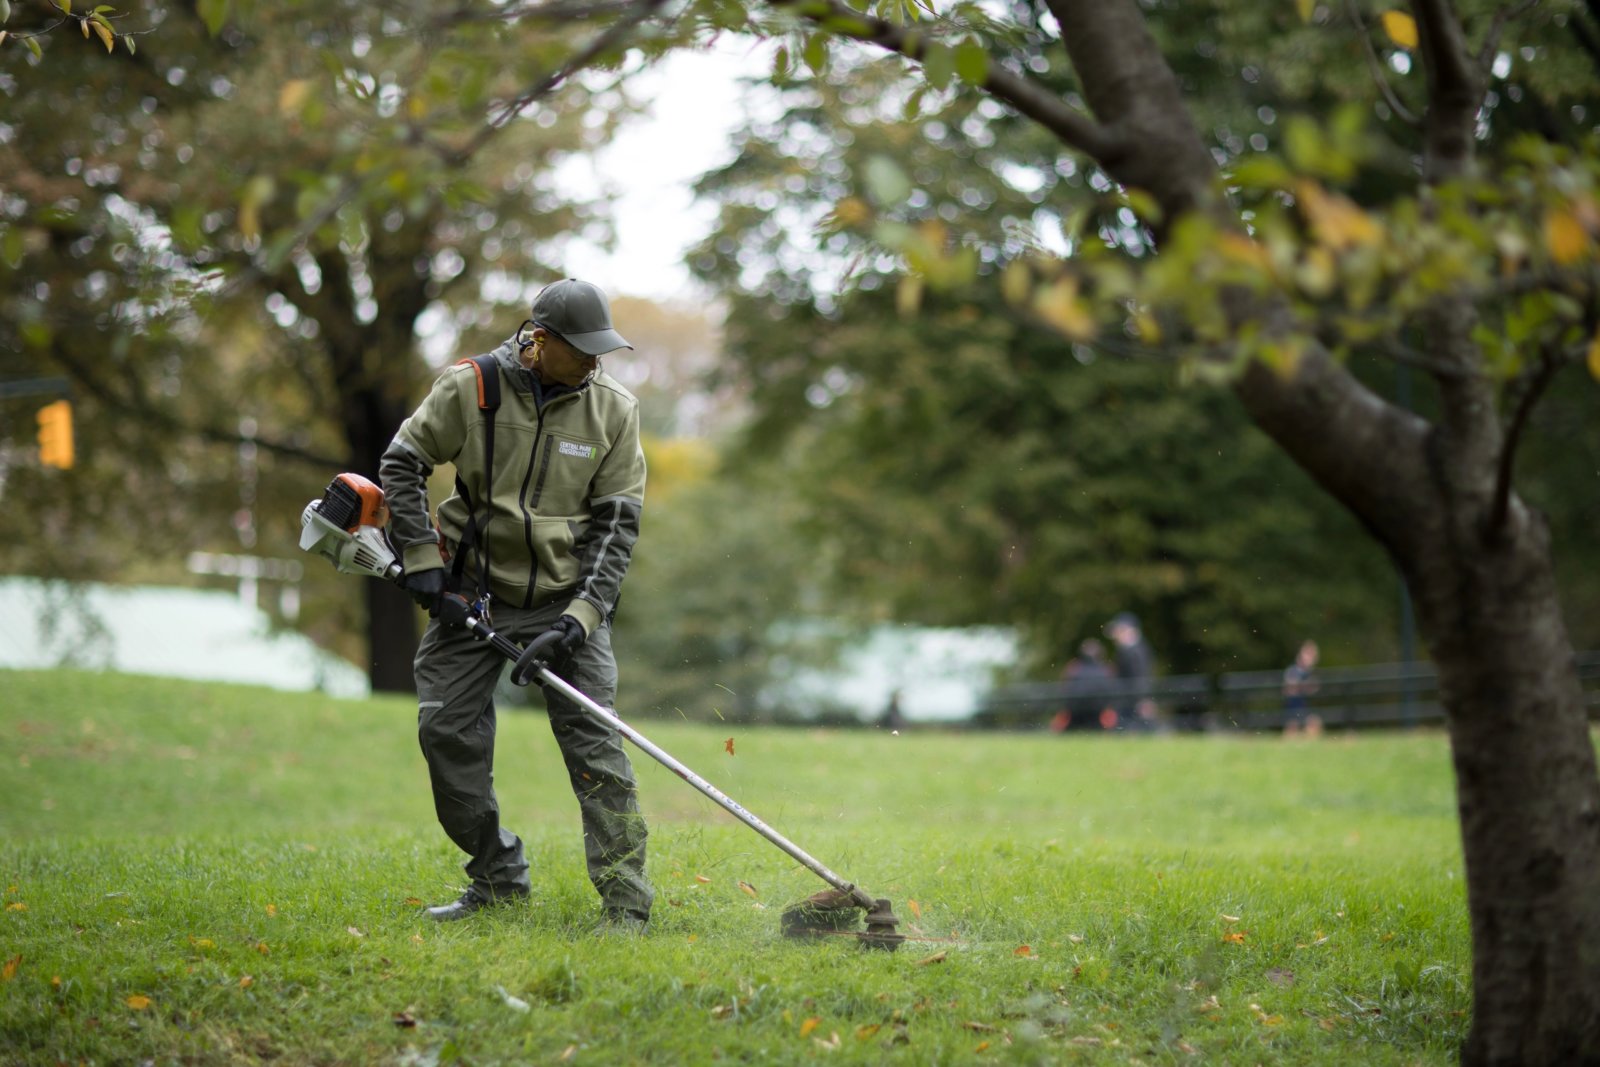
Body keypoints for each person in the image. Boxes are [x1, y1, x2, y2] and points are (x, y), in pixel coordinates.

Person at [379, 278, 653, 933]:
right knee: (446, 735)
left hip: (566, 602)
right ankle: (498, 878)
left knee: (598, 755)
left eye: (602, 349)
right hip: (471, 595)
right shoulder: (471, 389)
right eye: (582, 348)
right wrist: (421, 561)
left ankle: (626, 904)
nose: (595, 360)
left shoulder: (613, 409)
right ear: (539, 339)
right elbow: (402, 464)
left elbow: (617, 528)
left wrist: (579, 620)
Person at [1105, 612, 1157, 729]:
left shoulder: (1134, 651)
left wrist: (1143, 699)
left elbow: (1141, 676)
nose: (1115, 636)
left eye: (1118, 631)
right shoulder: (1132, 650)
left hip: (1133, 699)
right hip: (1130, 698)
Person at [1054, 638, 1115, 732]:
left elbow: (1064, 689)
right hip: (1098, 712)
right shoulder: (1105, 670)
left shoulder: (1073, 668)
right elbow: (1112, 690)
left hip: (1075, 711)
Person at [1282, 638, 1323, 738]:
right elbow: (1290, 689)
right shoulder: (1293, 671)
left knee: (1314, 726)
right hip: (1294, 707)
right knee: (1292, 730)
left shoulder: (1311, 673)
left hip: (1307, 707)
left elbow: (1314, 689)